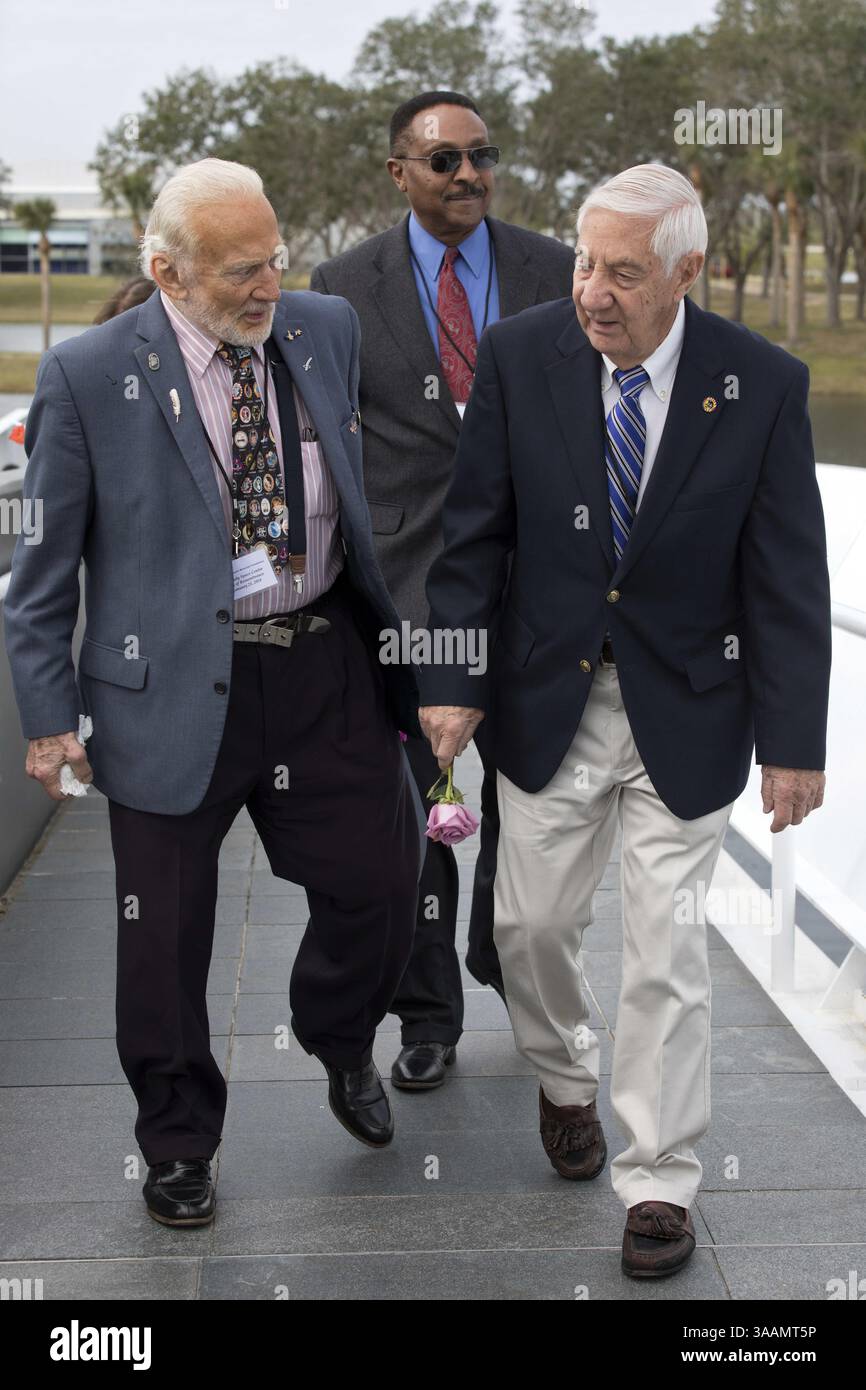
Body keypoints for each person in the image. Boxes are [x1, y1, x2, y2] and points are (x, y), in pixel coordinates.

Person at [416, 163, 831, 1278]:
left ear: (686, 273)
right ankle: (562, 1076)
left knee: (665, 950)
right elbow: (473, 540)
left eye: (623, 272)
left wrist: (793, 743)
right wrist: (448, 677)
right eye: (584, 263)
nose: (592, 291)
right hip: (543, 700)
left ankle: (658, 1178)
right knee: (527, 931)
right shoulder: (518, 355)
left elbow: (786, 577)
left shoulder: (761, 383)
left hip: (687, 711)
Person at [4, 157, 427, 1230]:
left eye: (275, 258)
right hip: (167, 690)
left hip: (326, 661)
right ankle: (179, 1141)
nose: (267, 285)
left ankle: (336, 1034)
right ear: (167, 273)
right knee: (162, 937)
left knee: (383, 883)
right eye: (242, 270)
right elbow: (43, 567)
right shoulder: (89, 373)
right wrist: (49, 713)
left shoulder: (322, 327)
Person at [311, 91, 575, 1091]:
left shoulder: (555, 268)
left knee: (532, 797)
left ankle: (499, 955)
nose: (468, 175)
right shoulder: (341, 287)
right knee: (418, 814)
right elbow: (330, 438)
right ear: (397, 173)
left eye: (482, 156)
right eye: (443, 161)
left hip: (542, 588)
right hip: (408, 594)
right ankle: (427, 1014)